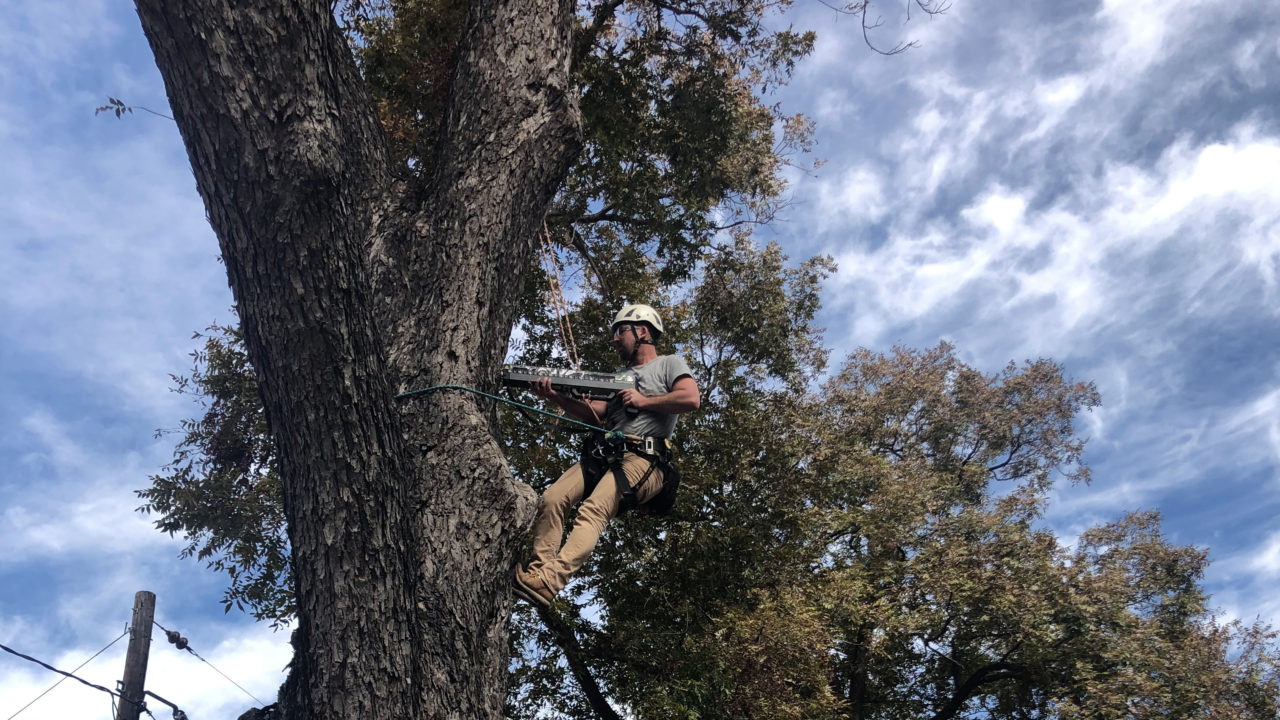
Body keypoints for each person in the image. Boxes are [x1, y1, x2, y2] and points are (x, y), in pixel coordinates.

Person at [514, 303, 700, 607]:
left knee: (593, 509)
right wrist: (555, 396)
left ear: (642, 331)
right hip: (608, 454)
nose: (615, 338)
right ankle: (539, 575)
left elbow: (690, 399)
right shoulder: (618, 379)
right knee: (551, 499)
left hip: (645, 456)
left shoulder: (668, 364)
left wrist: (644, 400)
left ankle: (551, 582)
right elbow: (593, 414)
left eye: (620, 330)